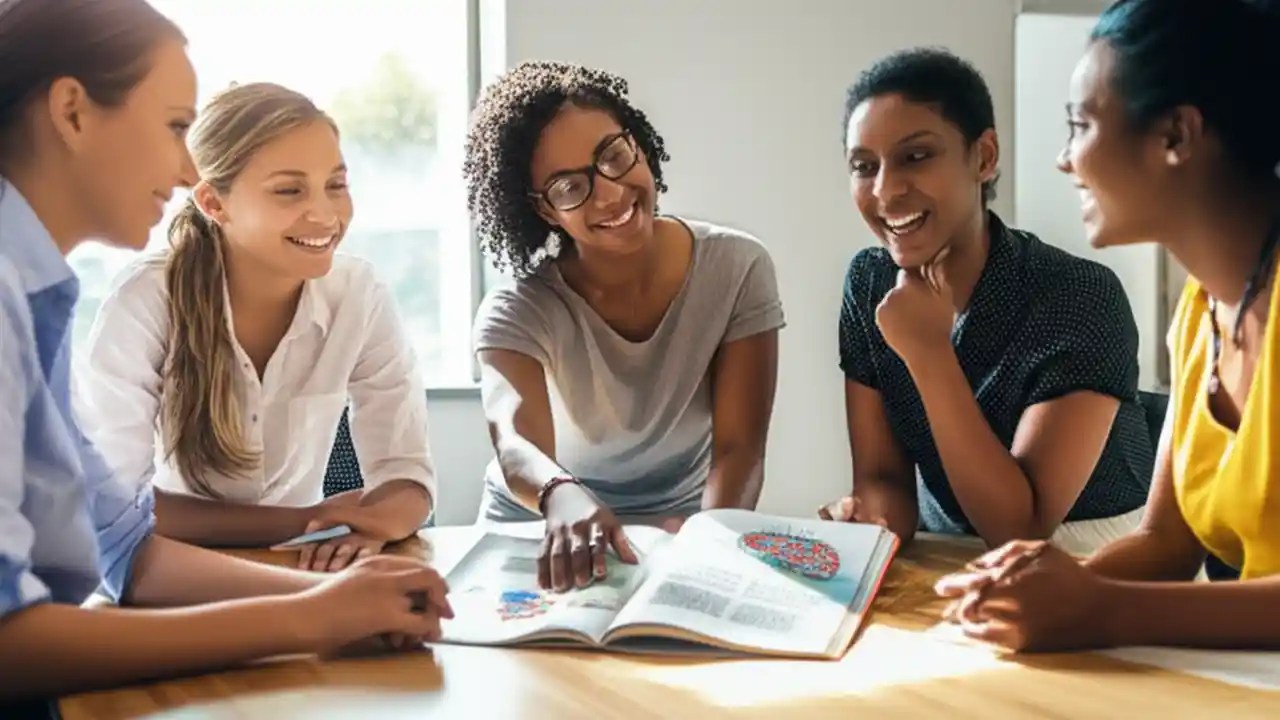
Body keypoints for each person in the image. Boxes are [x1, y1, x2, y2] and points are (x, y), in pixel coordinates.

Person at [0, 0, 450, 708]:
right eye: (176, 126)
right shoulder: (38, 297)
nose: (186, 169)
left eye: (336, 181)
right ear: (72, 112)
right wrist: (312, 611)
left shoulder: (34, 294)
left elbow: (120, 540)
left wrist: (331, 597)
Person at [935, 0, 1280, 652]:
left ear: (1177, 135)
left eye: (1080, 125)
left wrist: (1102, 610)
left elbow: (1127, 601)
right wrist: (1040, 586)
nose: (1066, 159)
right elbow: (1168, 544)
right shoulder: (1202, 311)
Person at [75, 81, 436, 573]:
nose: (326, 214)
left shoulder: (359, 294)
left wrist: (372, 527)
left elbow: (406, 474)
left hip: (303, 564)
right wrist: (306, 521)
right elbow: (117, 502)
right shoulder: (146, 299)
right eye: (289, 190)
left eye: (336, 184)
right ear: (213, 203)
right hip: (175, 571)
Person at [464, 61, 785, 592]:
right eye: (570, 187)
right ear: (543, 210)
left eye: (612, 156)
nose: (610, 193)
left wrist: (710, 536)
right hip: (541, 523)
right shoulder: (516, 310)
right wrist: (561, 493)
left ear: (637, 142)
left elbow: (740, 448)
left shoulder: (738, 267)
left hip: (681, 524)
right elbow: (515, 441)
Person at [819, 48, 1153, 556]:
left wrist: (929, 353)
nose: (885, 192)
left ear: (984, 156)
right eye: (864, 167)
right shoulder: (870, 283)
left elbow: (1022, 526)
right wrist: (867, 517)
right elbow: (884, 478)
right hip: (948, 548)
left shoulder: (1081, 295)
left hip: (1093, 551)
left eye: (915, 156)